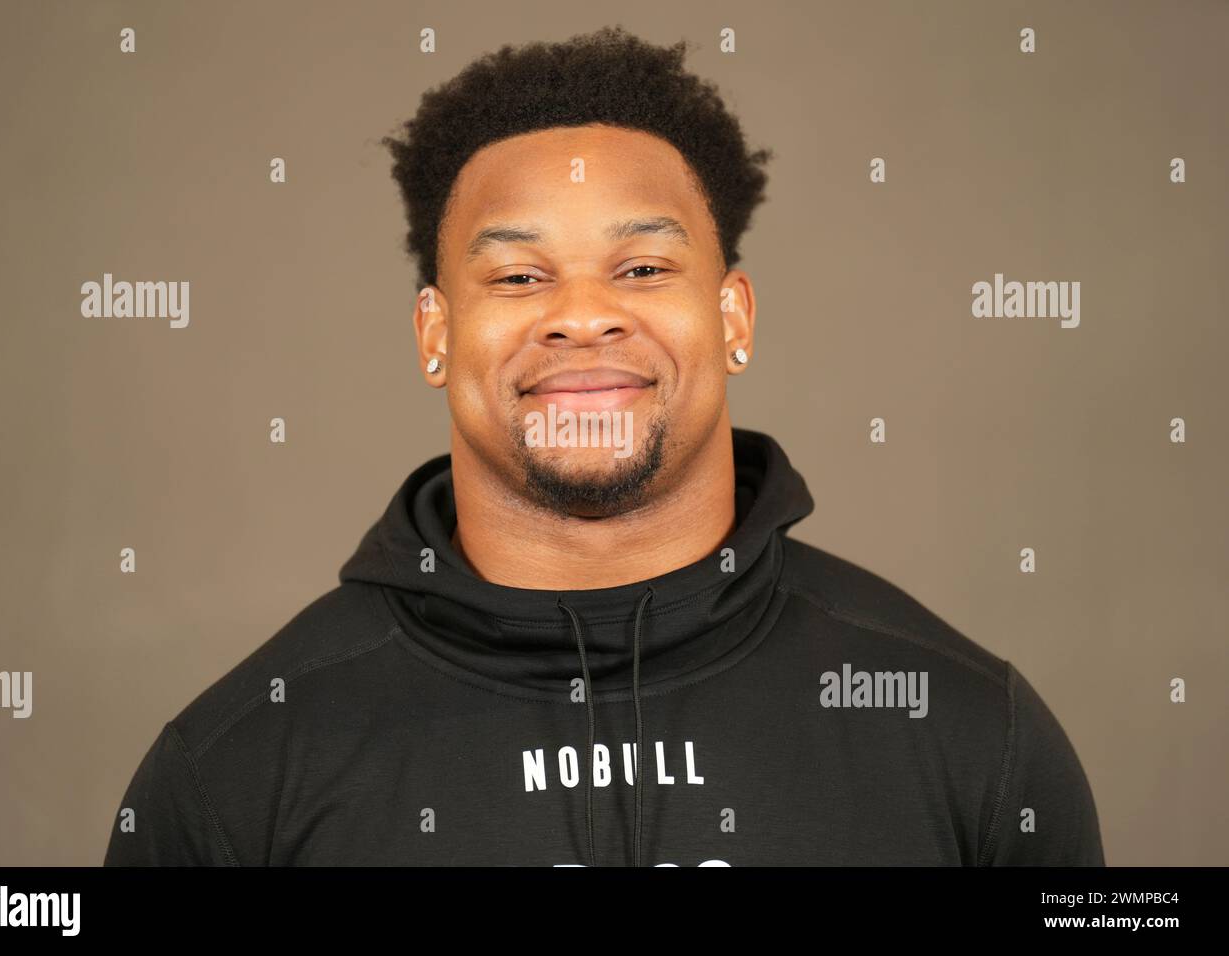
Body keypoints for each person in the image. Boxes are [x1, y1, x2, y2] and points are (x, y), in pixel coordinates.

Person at [104, 25, 1103, 867]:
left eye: (639, 265)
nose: (583, 316)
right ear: (433, 334)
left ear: (734, 318)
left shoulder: (969, 732)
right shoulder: (234, 768)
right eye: (518, 279)